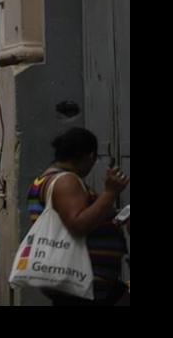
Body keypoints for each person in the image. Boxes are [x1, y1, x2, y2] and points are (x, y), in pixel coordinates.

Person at [26, 127, 129, 306]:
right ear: (89, 156)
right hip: (81, 280)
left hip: (80, 281)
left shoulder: (47, 180)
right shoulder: (66, 181)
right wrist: (110, 193)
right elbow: (78, 225)